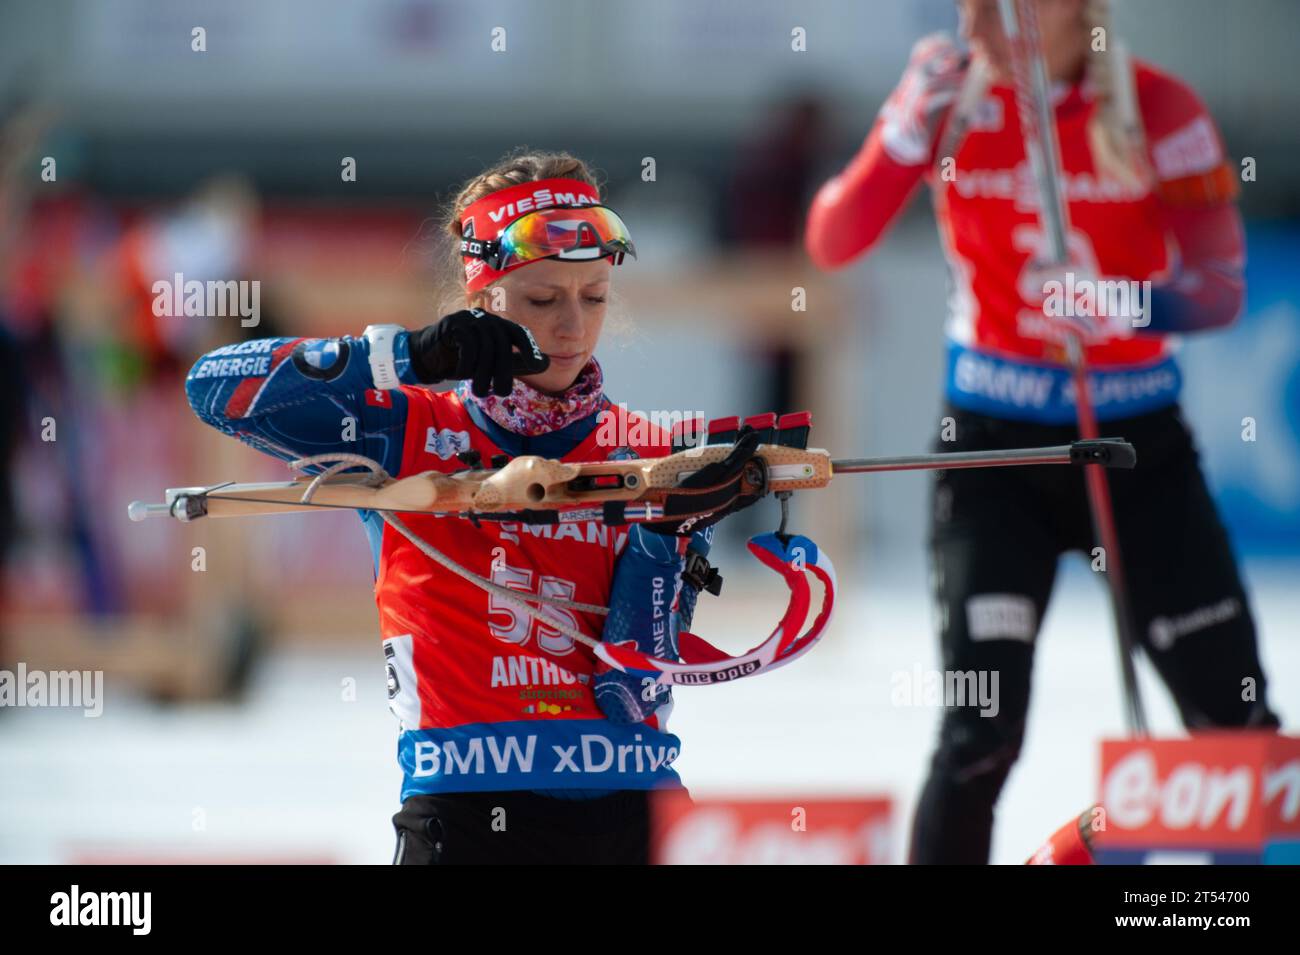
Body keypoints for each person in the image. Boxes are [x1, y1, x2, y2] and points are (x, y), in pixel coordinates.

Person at [186, 150, 760, 864]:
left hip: (634, 809)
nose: (572, 328)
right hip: (464, 813)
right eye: (544, 300)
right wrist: (410, 357)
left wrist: (672, 534)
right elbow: (213, 386)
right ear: (481, 292)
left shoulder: (646, 452)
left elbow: (633, 683)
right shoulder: (405, 428)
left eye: (596, 295)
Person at [805, 0, 1279, 863]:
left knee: (1235, 724)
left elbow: (1220, 287)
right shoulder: (950, 102)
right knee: (979, 733)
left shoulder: (1156, 106)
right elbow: (833, 239)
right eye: (972, 4)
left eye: (1008, 3)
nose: (982, 21)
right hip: (996, 452)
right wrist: (898, 137)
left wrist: (1121, 303)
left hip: (1133, 444)